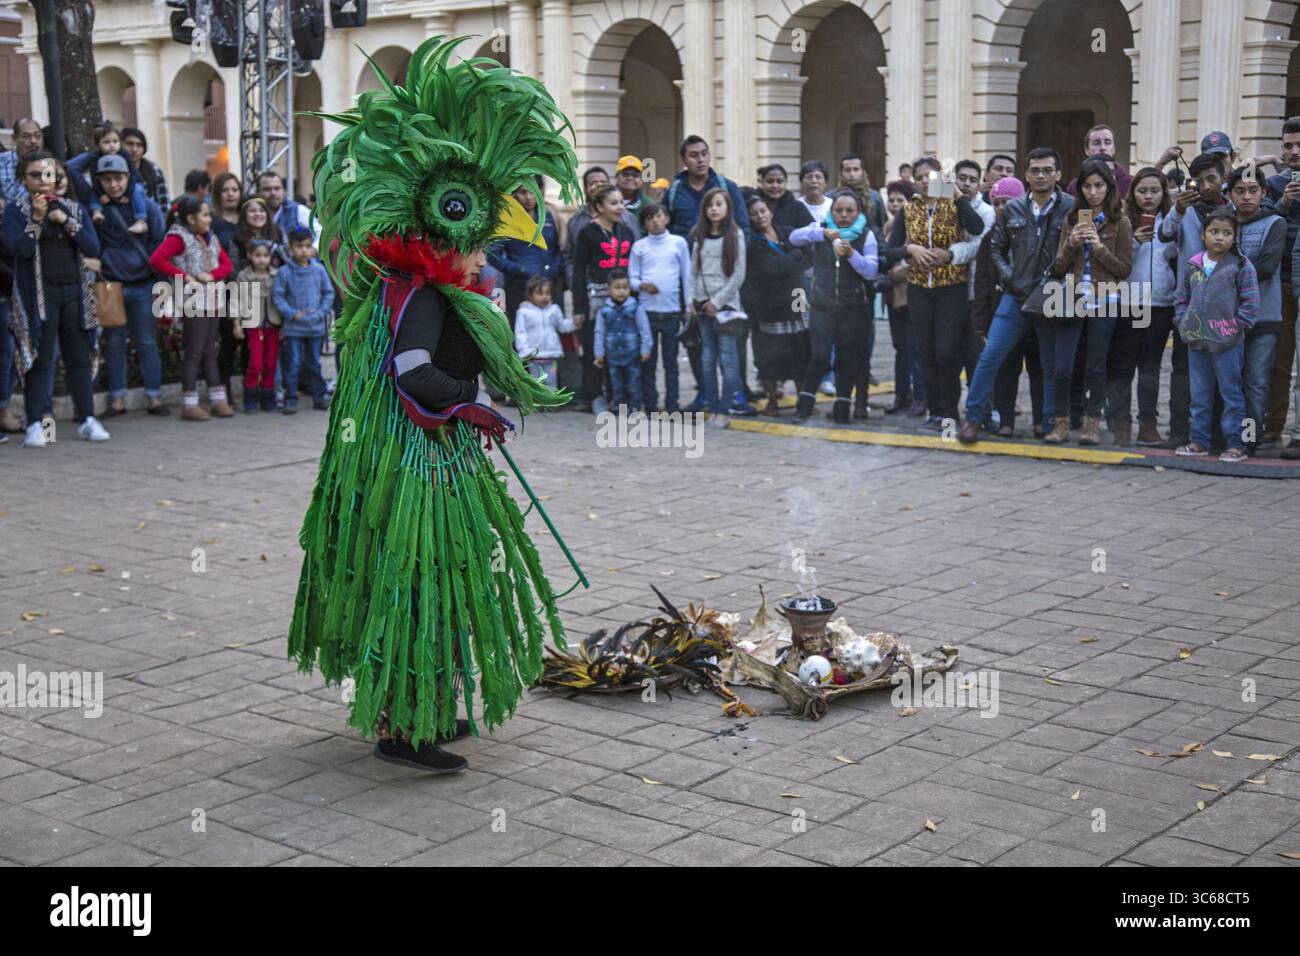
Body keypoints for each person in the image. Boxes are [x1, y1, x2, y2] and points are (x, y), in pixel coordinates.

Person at [289, 35, 582, 773]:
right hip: (418, 462)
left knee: (439, 581)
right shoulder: (422, 295)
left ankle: (419, 712)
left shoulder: (419, 289)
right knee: (421, 583)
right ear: (446, 235)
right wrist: (470, 406)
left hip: (429, 457)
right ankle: (404, 730)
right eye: (478, 246)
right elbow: (414, 372)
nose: (485, 259)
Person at [960, 147, 1074, 444]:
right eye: (1035, 170)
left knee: (1049, 363)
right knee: (990, 356)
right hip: (1014, 294)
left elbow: (1082, 250)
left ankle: (1049, 422)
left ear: (1058, 174)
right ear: (1026, 175)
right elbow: (995, 249)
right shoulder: (1012, 209)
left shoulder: (1072, 208)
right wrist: (1011, 277)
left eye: (1047, 170)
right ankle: (972, 419)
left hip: (1052, 294)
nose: (1040, 175)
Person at [2, 151, 110, 447]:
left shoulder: (72, 208)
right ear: (23, 179)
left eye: (47, 174)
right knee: (41, 358)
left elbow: (93, 247)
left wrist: (66, 221)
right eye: (34, 175)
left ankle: (87, 419)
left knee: (78, 357)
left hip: (74, 292)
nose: (42, 181)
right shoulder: (15, 210)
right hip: (37, 296)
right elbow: (21, 250)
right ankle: (36, 424)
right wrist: (37, 219)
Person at [881, 155, 986, 427]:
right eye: (919, 177)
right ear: (913, 181)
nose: (925, 182)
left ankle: (950, 409)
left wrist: (958, 195)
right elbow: (889, 253)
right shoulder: (908, 210)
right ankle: (934, 409)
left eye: (930, 176)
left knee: (946, 351)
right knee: (925, 351)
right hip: (919, 289)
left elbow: (977, 227)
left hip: (951, 288)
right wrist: (909, 249)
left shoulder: (953, 204)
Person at [1038, 157, 1132, 445]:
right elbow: (1058, 267)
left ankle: (1092, 424)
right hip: (1071, 297)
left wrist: (1099, 248)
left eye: (1099, 186)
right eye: (1088, 186)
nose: (1093, 192)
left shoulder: (1120, 222)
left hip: (1106, 298)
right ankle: (1062, 423)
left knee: (1095, 365)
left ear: (1109, 188)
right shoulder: (1072, 218)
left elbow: (1124, 269)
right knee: (1063, 366)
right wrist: (1071, 244)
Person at [1173, 209, 1258, 463]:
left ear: (1234, 236)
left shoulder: (1241, 265)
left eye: (1226, 233)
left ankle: (1237, 444)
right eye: (1214, 232)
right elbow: (1181, 296)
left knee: (1231, 394)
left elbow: (1251, 303)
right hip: (1196, 341)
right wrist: (1182, 321)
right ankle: (1199, 441)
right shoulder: (1194, 264)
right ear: (1203, 234)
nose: (1219, 238)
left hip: (1228, 343)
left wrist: (1236, 326)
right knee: (1199, 394)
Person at [789, 188, 880, 423]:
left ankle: (842, 409)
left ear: (858, 212)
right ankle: (804, 407)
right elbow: (793, 237)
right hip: (822, 305)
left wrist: (851, 254)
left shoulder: (866, 235)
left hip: (854, 307)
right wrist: (822, 233)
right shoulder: (821, 230)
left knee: (847, 358)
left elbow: (871, 271)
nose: (843, 215)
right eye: (839, 210)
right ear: (832, 211)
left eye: (850, 211)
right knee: (819, 355)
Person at [1159, 152, 1231, 447]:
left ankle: (1215, 434)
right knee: (1182, 369)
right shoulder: (1185, 209)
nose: (1204, 186)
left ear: (1223, 179)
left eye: (1211, 179)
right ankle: (1178, 431)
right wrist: (1176, 209)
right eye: (1198, 181)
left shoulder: (1233, 209)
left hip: (1226, 304)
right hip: (1188, 301)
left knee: (1222, 371)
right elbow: (1164, 234)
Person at [966, 176, 1043, 437]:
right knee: (1003, 366)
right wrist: (981, 321)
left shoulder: (1034, 229)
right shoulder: (989, 240)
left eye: (1007, 202)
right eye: (996, 202)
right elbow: (983, 284)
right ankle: (1002, 420)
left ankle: (1041, 421)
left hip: (1038, 305)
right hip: (1005, 306)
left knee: (1039, 367)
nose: (1001, 208)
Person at [94, 153, 169, 417]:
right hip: (111, 283)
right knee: (114, 342)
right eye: (107, 179)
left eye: (118, 178)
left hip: (142, 283)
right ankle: (117, 399)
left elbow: (160, 240)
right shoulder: (98, 209)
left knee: (147, 341)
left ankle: (154, 397)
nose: (113, 184)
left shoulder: (147, 207)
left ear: (128, 178)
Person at [1107, 166, 1177, 446]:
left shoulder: (1172, 222)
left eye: (1155, 191)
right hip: (1127, 302)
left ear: (1164, 193)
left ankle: (1148, 424)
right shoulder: (1122, 220)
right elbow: (1113, 259)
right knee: (1122, 367)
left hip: (1160, 303)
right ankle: (1121, 423)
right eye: (1142, 190)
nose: (1148, 196)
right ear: (1132, 193)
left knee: (1151, 367)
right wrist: (1134, 241)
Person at [150, 194, 234, 420]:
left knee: (209, 351)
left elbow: (227, 264)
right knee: (195, 353)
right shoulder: (178, 238)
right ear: (190, 218)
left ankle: (218, 400)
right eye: (205, 215)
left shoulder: (210, 237)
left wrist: (212, 275)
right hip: (194, 302)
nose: (209, 219)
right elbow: (157, 260)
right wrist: (185, 277)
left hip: (214, 300)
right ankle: (189, 403)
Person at [1226, 165, 1285, 455]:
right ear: (1230, 194)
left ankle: (1251, 438)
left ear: (1264, 193)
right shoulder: (1223, 223)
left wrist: (1229, 272)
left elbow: (1267, 265)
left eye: (1252, 191)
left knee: (1257, 381)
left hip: (1265, 316)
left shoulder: (1275, 223)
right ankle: (1229, 436)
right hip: (1228, 317)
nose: (1246, 197)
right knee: (1229, 379)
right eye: (1240, 191)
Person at [743, 193, 811, 415]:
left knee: (802, 349)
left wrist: (794, 259)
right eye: (754, 214)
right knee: (769, 355)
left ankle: (803, 399)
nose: (760, 216)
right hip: (769, 304)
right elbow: (771, 267)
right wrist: (795, 258)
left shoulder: (787, 232)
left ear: (770, 212)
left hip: (797, 297)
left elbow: (808, 255)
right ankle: (772, 400)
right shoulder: (753, 242)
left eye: (762, 211)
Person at [571, 184, 635, 412]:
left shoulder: (626, 231)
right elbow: (578, 271)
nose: (620, 207)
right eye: (613, 203)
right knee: (593, 348)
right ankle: (593, 395)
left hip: (623, 299)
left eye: (621, 203)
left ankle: (618, 396)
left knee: (617, 347)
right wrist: (579, 307)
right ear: (599, 206)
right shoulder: (587, 232)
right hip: (595, 300)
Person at [688, 186, 751, 416]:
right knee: (707, 358)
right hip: (702, 306)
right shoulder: (699, 235)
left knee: (728, 357)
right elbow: (693, 271)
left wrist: (718, 300)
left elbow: (738, 274)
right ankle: (712, 405)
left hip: (726, 307)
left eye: (718, 204)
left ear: (728, 208)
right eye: (709, 205)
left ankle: (725, 408)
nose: (714, 209)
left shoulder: (736, 235)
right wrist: (691, 300)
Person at [629, 201, 691, 412]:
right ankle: (651, 404)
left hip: (672, 312)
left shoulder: (678, 243)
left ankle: (672, 404)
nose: (655, 221)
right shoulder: (639, 246)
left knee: (671, 363)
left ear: (667, 219)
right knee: (648, 361)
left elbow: (687, 275)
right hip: (647, 312)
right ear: (644, 223)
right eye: (649, 218)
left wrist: (688, 304)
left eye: (659, 216)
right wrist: (643, 285)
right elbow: (632, 279)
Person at [1263, 116, 1300, 447]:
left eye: (1299, 145)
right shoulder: (1273, 185)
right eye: (1288, 146)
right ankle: (1272, 427)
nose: (1294, 151)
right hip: (1282, 282)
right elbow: (1261, 226)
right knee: (1279, 361)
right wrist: (1285, 202)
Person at [273, 228, 334, 414]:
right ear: (290, 248)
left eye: (307, 246)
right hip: (293, 329)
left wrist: (321, 312)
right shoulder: (284, 272)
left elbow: (328, 293)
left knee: (314, 364)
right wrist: (292, 313)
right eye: (299, 246)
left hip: (315, 328)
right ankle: (291, 398)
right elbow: (278, 296)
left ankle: (319, 396)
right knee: (293, 364)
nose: (304, 250)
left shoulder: (319, 270)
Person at [487, 178, 564, 325]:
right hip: (519, 287)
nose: (529, 197)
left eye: (533, 192)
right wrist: (519, 269)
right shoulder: (506, 219)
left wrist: (554, 269)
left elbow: (559, 249)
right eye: (523, 192)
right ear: (515, 194)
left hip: (549, 286)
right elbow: (493, 255)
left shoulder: (550, 215)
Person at [879, 179, 926, 416]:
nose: (895, 204)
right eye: (892, 200)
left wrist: (899, 270)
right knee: (900, 348)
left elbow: (917, 261)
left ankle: (920, 397)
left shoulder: (917, 224)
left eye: (900, 200)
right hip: (893, 296)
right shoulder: (888, 227)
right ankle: (901, 396)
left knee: (916, 348)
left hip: (913, 294)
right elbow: (884, 257)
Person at [65, 122, 149, 233]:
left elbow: (133, 174)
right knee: (93, 193)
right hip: (102, 191)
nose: (112, 145)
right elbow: (95, 178)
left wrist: (128, 192)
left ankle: (141, 220)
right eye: (106, 142)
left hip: (130, 187)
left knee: (138, 190)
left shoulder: (124, 154)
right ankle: (96, 211)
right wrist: (101, 195)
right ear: (98, 144)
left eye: (115, 141)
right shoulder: (96, 158)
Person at [665, 135, 751, 238]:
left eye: (704, 154)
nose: (701, 160)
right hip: (685, 253)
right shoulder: (673, 192)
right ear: (684, 160)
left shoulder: (728, 187)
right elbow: (665, 230)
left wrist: (737, 251)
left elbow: (743, 227)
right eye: (694, 155)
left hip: (722, 252)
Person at [593, 270, 651, 410]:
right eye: (617, 288)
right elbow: (599, 332)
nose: (621, 292)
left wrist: (645, 349)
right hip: (612, 355)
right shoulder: (604, 310)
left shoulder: (636, 308)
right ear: (609, 289)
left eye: (625, 288)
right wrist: (599, 354)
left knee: (633, 382)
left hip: (632, 354)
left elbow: (645, 330)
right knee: (615, 383)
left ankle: (635, 406)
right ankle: (619, 406)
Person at [235, 238, 281, 412]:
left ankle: (268, 397)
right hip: (253, 325)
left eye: (265, 255)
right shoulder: (243, 276)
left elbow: (283, 299)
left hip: (274, 324)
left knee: (270, 363)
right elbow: (237, 300)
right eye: (257, 255)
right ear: (249, 256)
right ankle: (250, 396)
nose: (262, 259)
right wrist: (236, 323)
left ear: (270, 257)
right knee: (255, 363)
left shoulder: (277, 275)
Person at [514, 274, 573, 388]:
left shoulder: (554, 309)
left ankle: (552, 405)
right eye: (540, 294)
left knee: (552, 381)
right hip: (533, 355)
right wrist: (525, 350)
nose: (544, 297)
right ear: (530, 295)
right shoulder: (524, 312)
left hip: (551, 354)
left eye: (547, 293)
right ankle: (538, 405)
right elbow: (520, 332)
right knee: (536, 383)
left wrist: (575, 323)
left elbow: (562, 326)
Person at [120, 128, 170, 211]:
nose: (134, 149)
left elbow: (164, 203)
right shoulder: (114, 169)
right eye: (129, 144)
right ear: (121, 145)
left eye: (139, 145)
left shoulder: (154, 170)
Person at [839, 153, 886, 238]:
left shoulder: (875, 197)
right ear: (841, 173)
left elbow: (881, 225)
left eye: (856, 169)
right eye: (847, 170)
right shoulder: (832, 197)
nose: (852, 174)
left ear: (863, 172)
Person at [757, 164, 814, 230]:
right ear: (762, 182)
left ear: (786, 183)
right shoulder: (753, 205)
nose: (775, 186)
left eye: (779, 181)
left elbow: (812, 234)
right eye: (770, 181)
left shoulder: (797, 208)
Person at [0, 118, 43, 206]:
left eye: (38, 136)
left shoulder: (48, 163)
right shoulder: (2, 162)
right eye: (26, 136)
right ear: (14, 138)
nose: (33, 141)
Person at [797, 160, 833, 226]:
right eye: (809, 177)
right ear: (801, 183)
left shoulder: (833, 206)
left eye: (818, 177)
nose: (814, 181)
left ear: (826, 183)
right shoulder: (795, 206)